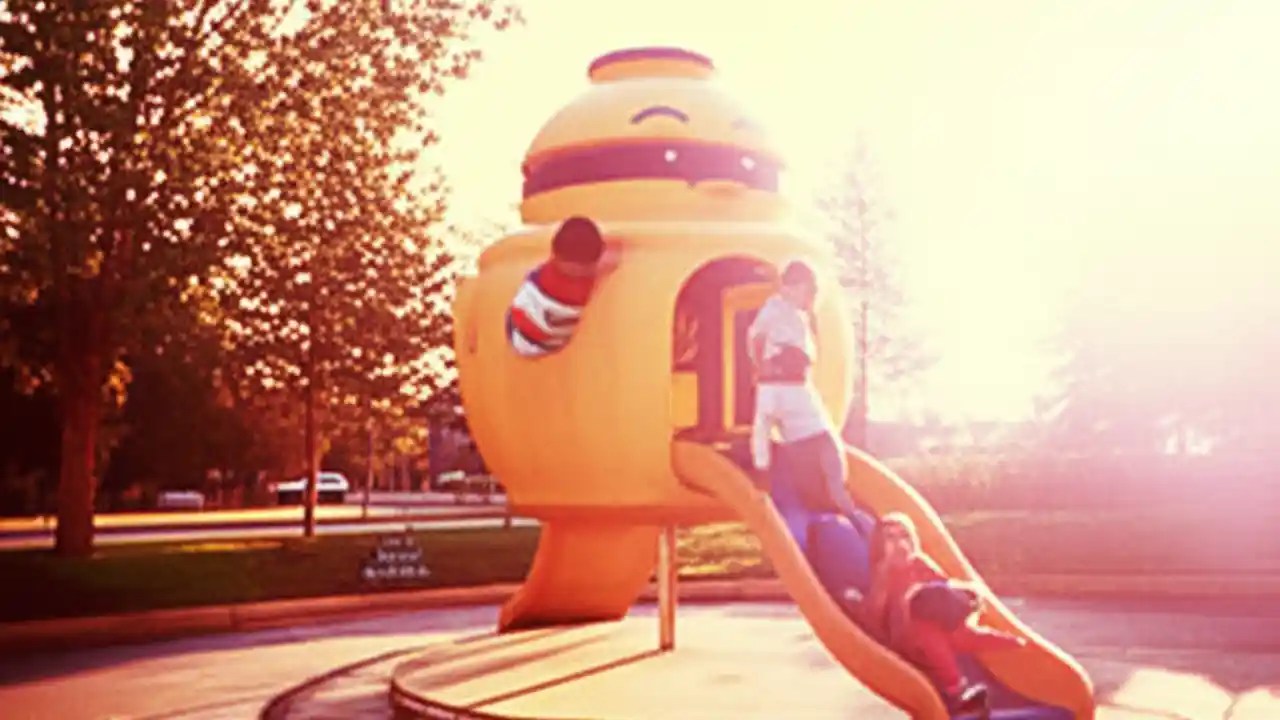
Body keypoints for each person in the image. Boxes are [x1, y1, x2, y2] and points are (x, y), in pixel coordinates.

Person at [845, 512, 1026, 712]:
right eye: (890, 537)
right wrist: (867, 594)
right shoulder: (884, 572)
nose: (899, 543)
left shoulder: (921, 563)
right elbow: (874, 615)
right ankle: (955, 688)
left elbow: (943, 589)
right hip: (907, 637)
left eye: (904, 536)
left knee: (962, 634)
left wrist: (964, 595)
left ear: (913, 540)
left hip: (938, 631)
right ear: (880, 545)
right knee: (925, 626)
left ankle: (1015, 645)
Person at [747, 260, 860, 523]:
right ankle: (834, 509)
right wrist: (762, 362)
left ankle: (842, 503)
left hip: (804, 402)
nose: (811, 299)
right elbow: (756, 336)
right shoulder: (774, 309)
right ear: (791, 288)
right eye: (808, 292)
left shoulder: (798, 315)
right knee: (810, 466)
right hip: (787, 404)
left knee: (830, 451)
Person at [506, 216, 618, 357]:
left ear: (555, 251)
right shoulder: (589, 286)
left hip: (524, 342)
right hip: (551, 340)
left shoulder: (546, 278)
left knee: (528, 290)